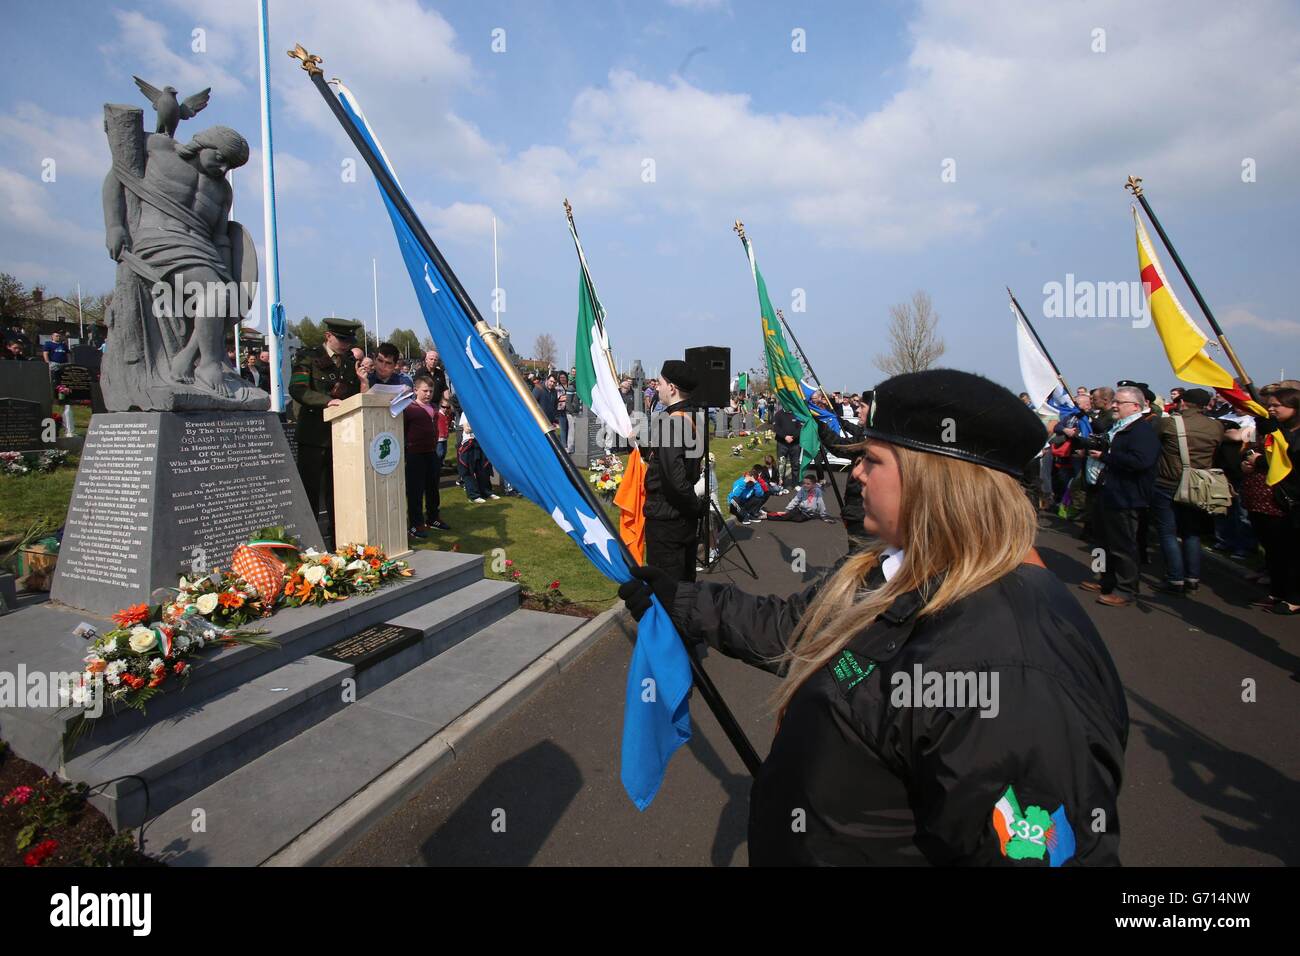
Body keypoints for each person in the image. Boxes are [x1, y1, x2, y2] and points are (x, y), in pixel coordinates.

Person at [619, 369, 1126, 866]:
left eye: (872, 460)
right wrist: (681, 603)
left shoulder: (1012, 670)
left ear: (936, 483)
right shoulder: (890, 569)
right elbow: (796, 630)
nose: (856, 472)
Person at [288, 317, 369, 548]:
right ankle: (310, 545)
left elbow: (353, 394)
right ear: (328, 336)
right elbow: (297, 389)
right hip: (314, 437)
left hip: (342, 438)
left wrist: (363, 384)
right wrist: (327, 401)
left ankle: (340, 543)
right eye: (342, 339)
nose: (346, 344)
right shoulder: (309, 357)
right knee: (310, 494)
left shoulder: (349, 361)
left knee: (339, 495)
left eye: (349, 340)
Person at [1080, 386, 1160, 607]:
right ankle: (1102, 578)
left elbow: (1141, 462)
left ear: (1136, 406)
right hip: (1105, 491)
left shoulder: (1141, 431)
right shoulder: (1118, 426)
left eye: (1119, 403)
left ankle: (1125, 590)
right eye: (1114, 401)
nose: (1114, 405)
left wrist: (1106, 457)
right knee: (1100, 541)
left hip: (1126, 497)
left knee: (1122, 546)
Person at [1150, 388, 1224, 595]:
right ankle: (1192, 576)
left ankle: (1175, 578)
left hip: (1168, 481)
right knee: (1192, 532)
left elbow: (1155, 442)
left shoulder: (1170, 423)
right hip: (1199, 483)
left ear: (1183, 403)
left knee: (1168, 532)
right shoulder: (1216, 426)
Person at [643, 360, 703, 584]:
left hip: (667, 518)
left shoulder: (670, 423)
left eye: (660, 383)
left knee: (667, 588)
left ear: (672, 387)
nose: (657, 388)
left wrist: (692, 506)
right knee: (685, 586)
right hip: (683, 517)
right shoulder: (695, 417)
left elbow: (674, 478)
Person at [1244, 384, 1300, 614]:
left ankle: (1295, 598)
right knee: (1275, 550)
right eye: (1270, 405)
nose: (1272, 409)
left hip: (1293, 501)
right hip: (1272, 500)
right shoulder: (1279, 430)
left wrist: (1258, 461)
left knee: (1293, 553)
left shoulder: (1294, 435)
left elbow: (1288, 461)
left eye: (1277, 405)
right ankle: (1277, 591)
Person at [403, 377, 450, 537]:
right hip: (415, 454)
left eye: (431, 391)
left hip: (431, 452)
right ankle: (416, 524)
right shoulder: (409, 408)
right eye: (425, 391)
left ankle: (433, 518)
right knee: (415, 490)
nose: (428, 394)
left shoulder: (433, 408)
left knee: (432, 488)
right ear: (415, 391)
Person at [456, 415, 497, 503]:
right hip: (469, 444)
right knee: (468, 470)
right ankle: (473, 495)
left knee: (484, 469)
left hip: (481, 442)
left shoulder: (480, 411)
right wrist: (481, 427)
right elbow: (467, 430)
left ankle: (487, 492)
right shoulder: (465, 413)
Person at [772, 402, 803, 489]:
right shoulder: (778, 414)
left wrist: (793, 437)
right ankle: (781, 483)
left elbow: (800, 427)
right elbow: (776, 428)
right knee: (781, 464)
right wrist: (785, 436)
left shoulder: (797, 414)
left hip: (795, 444)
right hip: (782, 443)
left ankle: (795, 483)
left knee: (795, 464)